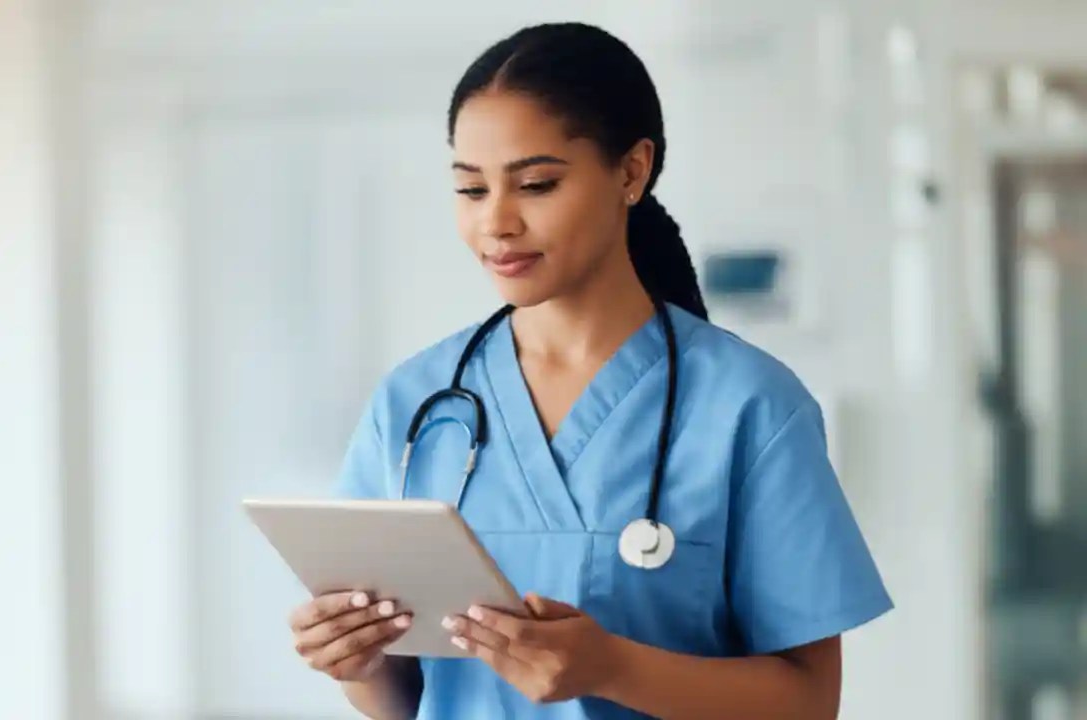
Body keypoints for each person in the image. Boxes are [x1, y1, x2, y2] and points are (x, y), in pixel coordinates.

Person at [285, 21, 893, 720]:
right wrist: (357, 664)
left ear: (632, 171)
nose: (497, 224)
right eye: (471, 191)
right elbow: (408, 702)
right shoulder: (414, 404)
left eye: (536, 184)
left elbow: (809, 703)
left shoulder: (748, 405)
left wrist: (614, 668)